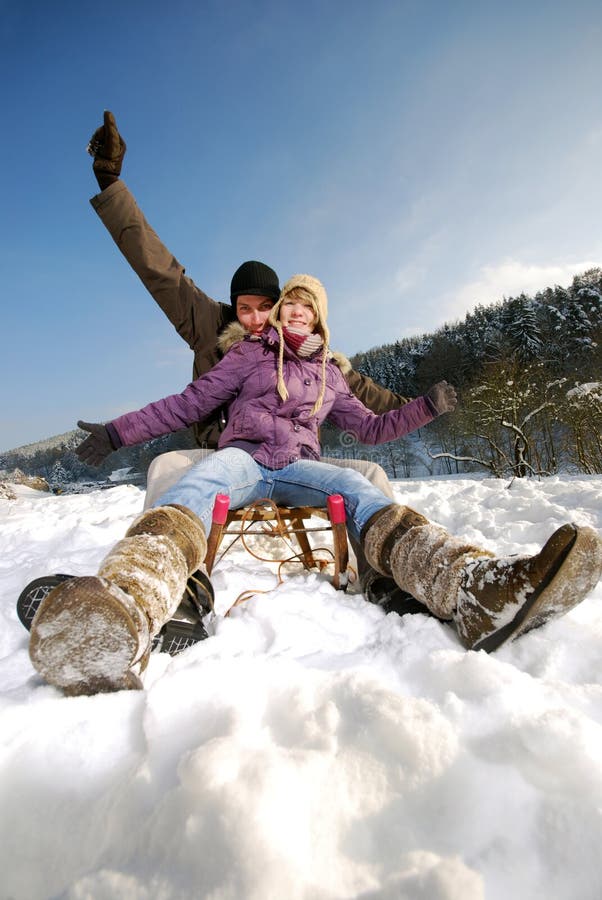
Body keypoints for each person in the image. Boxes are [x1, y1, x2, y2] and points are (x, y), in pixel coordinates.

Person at [29, 275, 602, 697]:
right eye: (290, 305)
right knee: (198, 482)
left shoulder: (329, 371)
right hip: (246, 459)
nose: (297, 312)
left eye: (308, 306)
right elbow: (190, 403)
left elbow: (372, 429)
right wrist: (116, 430)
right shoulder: (248, 356)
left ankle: (470, 587)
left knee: (364, 492)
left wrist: (424, 408)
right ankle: (128, 601)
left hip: (300, 467)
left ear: (320, 318)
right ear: (279, 316)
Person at [85, 110, 417, 608]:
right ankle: (179, 581)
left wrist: (425, 405)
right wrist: (111, 185)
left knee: (369, 477)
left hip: (295, 462)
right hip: (225, 455)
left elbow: (367, 397)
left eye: (268, 308)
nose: (258, 320)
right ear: (233, 307)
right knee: (165, 470)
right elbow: (157, 269)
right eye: (247, 309)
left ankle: (380, 574)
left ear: (284, 310)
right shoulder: (208, 323)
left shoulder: (310, 356)